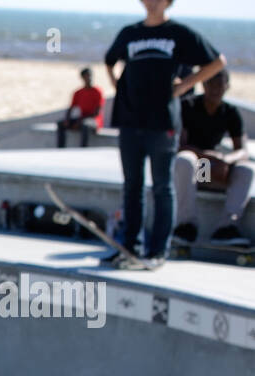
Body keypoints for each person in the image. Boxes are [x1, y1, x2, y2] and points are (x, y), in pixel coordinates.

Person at [104, 0, 226, 269]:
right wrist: (118, 86)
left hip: (162, 123)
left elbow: (217, 62)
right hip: (130, 122)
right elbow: (110, 60)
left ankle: (158, 251)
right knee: (132, 186)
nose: (151, 2)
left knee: (162, 187)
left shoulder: (178, 33)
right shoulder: (130, 32)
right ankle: (129, 247)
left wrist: (185, 86)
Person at [173, 71, 253, 248]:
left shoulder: (230, 112)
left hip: (214, 170)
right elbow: (178, 145)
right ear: (203, 85)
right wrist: (207, 156)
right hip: (194, 169)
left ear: (227, 86)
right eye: (211, 84)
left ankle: (227, 228)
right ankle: (186, 226)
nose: (215, 89)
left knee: (246, 169)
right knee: (185, 160)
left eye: (220, 84)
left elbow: (242, 150)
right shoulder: (189, 106)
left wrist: (225, 159)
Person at [57, 67, 105, 148]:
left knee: (85, 124)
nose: (89, 78)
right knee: (61, 124)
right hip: (81, 118)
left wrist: (80, 121)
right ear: (82, 78)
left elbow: (96, 113)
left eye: (90, 75)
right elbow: (71, 108)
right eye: (86, 76)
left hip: (94, 120)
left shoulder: (97, 91)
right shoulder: (78, 93)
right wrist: (67, 120)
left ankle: (83, 149)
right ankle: (60, 148)